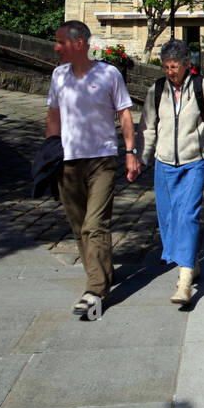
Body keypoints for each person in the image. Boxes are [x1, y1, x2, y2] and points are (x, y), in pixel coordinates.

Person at [45, 20, 138, 319]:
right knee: (78, 227)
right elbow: (53, 115)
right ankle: (105, 272)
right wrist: (49, 150)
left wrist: (130, 152)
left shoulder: (109, 74)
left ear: (79, 44)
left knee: (94, 225)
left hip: (102, 160)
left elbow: (124, 113)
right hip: (67, 162)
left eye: (61, 42)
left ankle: (95, 289)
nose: (56, 47)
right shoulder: (58, 76)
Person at [138, 40, 204, 307]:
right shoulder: (158, 90)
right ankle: (192, 261)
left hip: (194, 162)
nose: (170, 71)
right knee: (169, 220)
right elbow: (148, 127)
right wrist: (141, 159)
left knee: (187, 215)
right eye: (166, 67)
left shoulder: (201, 88)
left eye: (174, 66)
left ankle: (184, 281)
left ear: (187, 64)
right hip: (164, 164)